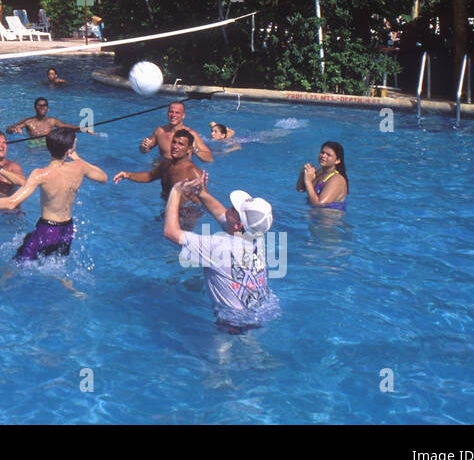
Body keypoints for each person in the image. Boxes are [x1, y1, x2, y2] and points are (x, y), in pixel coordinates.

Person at [0, 128, 108, 265]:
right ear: (69, 151)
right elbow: (103, 178)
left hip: (47, 229)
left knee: (16, 265)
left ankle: (1, 286)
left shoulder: (40, 174)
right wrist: (77, 157)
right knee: (58, 264)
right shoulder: (79, 167)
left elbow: (11, 203)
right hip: (67, 229)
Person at [164, 181, 279, 332]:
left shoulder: (218, 247)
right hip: (266, 310)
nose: (227, 209)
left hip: (233, 322)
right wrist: (201, 193)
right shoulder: (258, 237)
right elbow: (220, 214)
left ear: (237, 225)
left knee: (219, 354)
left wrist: (176, 191)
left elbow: (170, 232)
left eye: (232, 209)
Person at [114, 129, 206, 226]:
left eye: (181, 144)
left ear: (189, 149)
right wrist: (128, 175)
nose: (175, 146)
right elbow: (150, 176)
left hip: (186, 215)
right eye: (174, 142)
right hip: (168, 209)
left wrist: (203, 229)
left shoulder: (193, 172)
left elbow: (206, 202)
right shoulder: (166, 164)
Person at [139, 101, 212, 162]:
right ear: (167, 113)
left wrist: (195, 151)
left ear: (183, 116)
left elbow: (209, 158)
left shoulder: (191, 134)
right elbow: (144, 150)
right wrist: (143, 147)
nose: (173, 115)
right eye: (171, 112)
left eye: (177, 112)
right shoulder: (160, 131)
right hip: (162, 168)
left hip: (182, 170)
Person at [296, 140, 349, 210]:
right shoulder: (320, 172)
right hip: (314, 216)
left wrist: (308, 182)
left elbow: (319, 205)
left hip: (328, 219)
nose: (323, 156)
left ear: (337, 161)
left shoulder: (336, 179)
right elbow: (300, 189)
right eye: (322, 152)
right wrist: (303, 173)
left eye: (328, 155)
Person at [6, 97, 95, 138]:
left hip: (47, 147)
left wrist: (85, 129)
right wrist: (14, 129)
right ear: (34, 108)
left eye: (44, 106)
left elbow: (68, 128)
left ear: (48, 108)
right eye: (39, 105)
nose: (42, 108)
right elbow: (8, 130)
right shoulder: (27, 121)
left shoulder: (53, 121)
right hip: (33, 148)